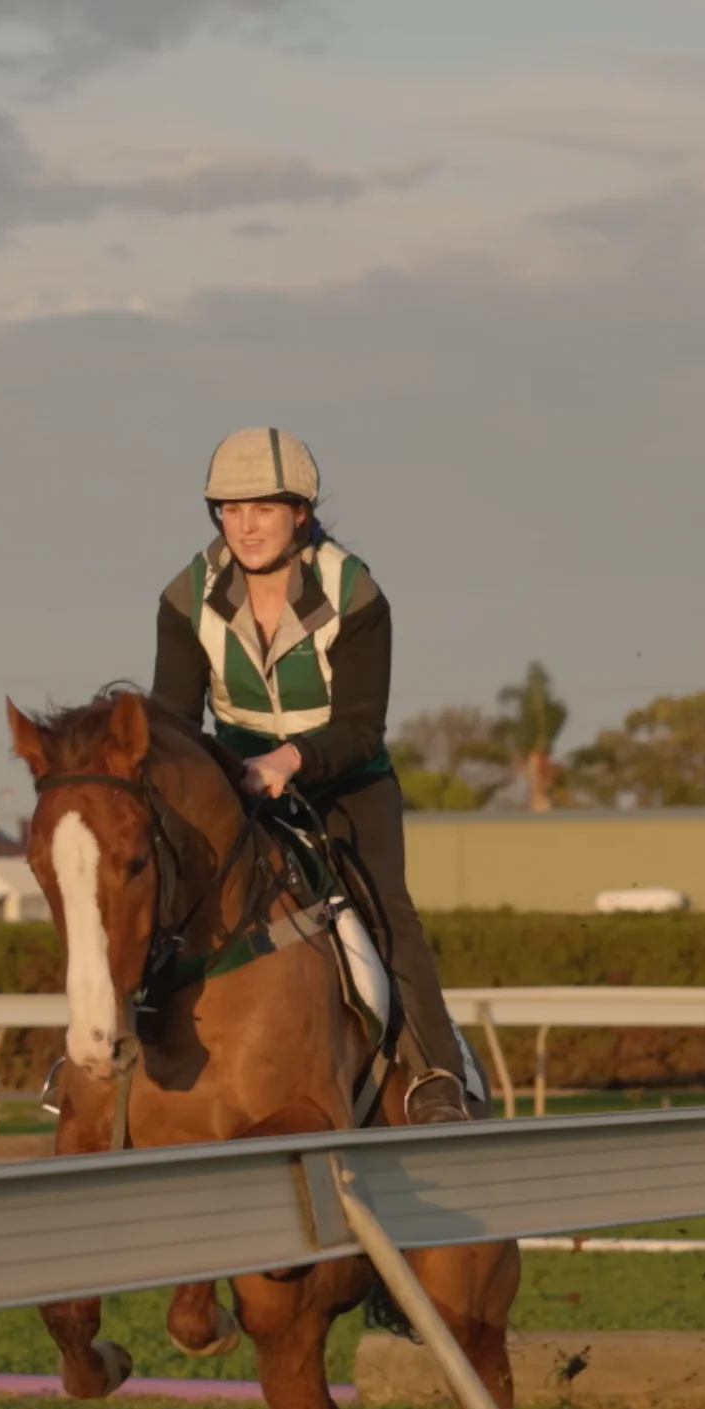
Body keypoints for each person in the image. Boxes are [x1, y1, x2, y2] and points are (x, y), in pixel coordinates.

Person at [149, 426, 476, 1124]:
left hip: (346, 783)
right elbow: (173, 719)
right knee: (152, 885)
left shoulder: (356, 594)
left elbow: (360, 729)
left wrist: (287, 761)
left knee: (386, 910)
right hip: (239, 781)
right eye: (230, 510)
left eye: (263, 509)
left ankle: (436, 1073)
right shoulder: (183, 598)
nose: (245, 526)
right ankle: (103, 1053)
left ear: (300, 512)